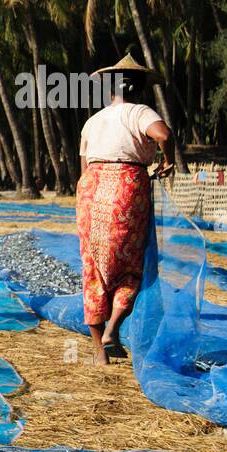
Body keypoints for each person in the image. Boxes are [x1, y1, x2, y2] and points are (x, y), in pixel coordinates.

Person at [76, 54, 175, 365]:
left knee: (93, 267)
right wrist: (168, 161)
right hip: (126, 188)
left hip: (90, 189)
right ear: (140, 89)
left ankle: (99, 352)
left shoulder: (93, 121)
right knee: (130, 266)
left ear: (110, 90)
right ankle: (113, 330)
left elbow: (84, 166)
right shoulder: (139, 112)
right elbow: (164, 135)